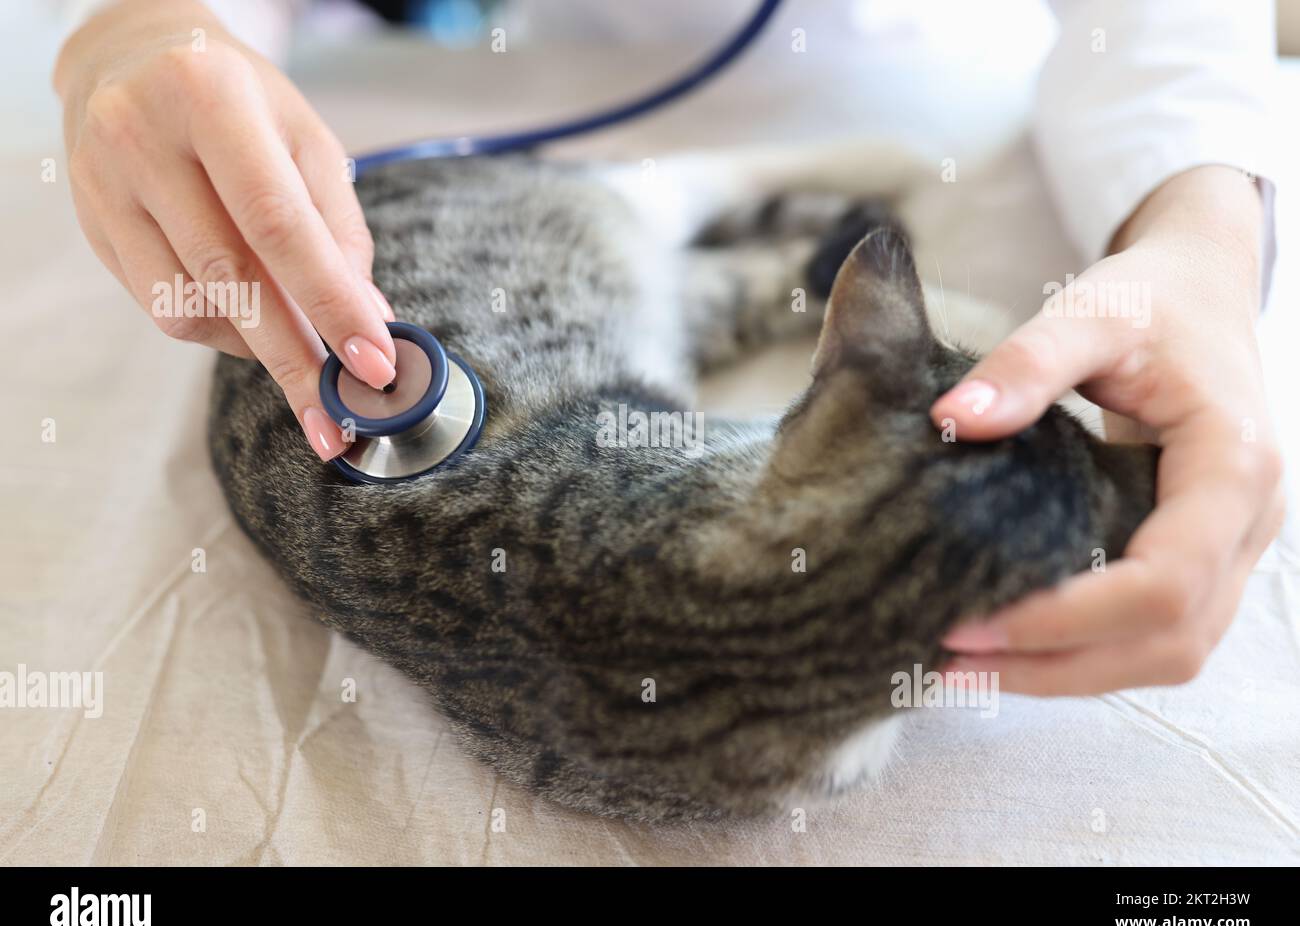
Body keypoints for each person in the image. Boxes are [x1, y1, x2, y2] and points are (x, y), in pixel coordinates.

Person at [51, 0, 1284, 696]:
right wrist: (128, 35)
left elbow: (1160, 27)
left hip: (884, 67)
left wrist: (1199, 238)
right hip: (403, 72)